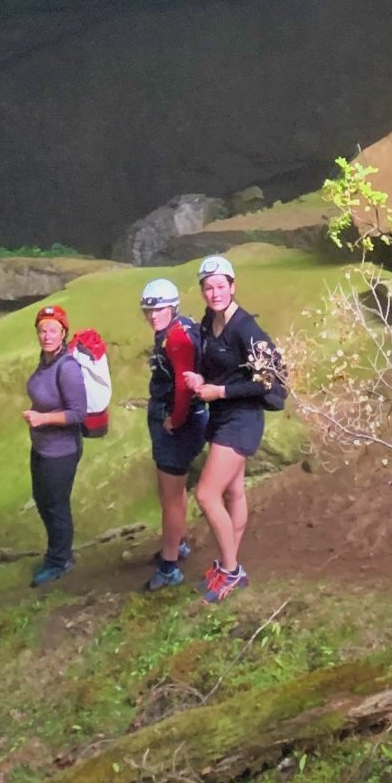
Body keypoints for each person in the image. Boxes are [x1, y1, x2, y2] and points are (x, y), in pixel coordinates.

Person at [180, 253, 275, 602]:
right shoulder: (209, 321)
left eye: (221, 286)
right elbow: (218, 366)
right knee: (233, 492)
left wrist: (218, 391)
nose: (215, 293)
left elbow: (268, 383)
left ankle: (233, 571)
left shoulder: (246, 329)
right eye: (208, 288)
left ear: (233, 287)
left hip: (242, 420)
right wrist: (201, 378)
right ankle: (226, 565)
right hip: (222, 416)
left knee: (206, 494)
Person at [139, 277, 206, 591]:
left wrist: (176, 421)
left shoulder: (176, 338)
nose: (153, 315)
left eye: (159, 309)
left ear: (172, 307)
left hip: (177, 420)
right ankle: (174, 543)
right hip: (185, 417)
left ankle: (169, 566)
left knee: (170, 497)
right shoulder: (181, 328)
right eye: (148, 310)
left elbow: (183, 386)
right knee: (175, 492)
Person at [23, 302, 87, 587]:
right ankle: (56, 552)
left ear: (64, 333)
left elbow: (77, 414)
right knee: (42, 500)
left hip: (61, 451)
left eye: (53, 330)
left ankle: (61, 559)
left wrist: (42, 417)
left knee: (56, 504)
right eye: (42, 330)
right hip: (41, 447)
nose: (47, 335)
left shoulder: (67, 368)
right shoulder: (44, 361)